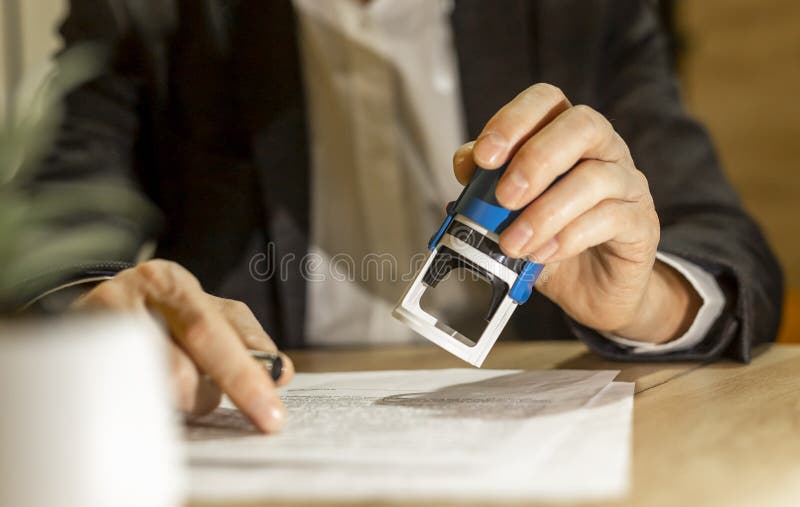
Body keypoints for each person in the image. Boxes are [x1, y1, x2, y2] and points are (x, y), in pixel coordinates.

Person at [33, 0, 783, 433]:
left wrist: (644, 299)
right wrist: (95, 318)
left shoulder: (583, 11)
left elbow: (733, 255)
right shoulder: (149, 12)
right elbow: (39, 251)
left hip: (538, 455)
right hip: (261, 438)